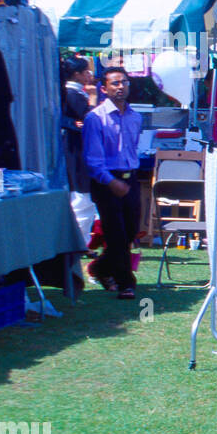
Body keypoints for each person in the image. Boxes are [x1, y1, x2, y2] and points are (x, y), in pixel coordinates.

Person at [83, 67, 143, 299]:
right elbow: (92, 160)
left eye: (124, 83)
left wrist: (127, 178)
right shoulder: (95, 118)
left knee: (130, 232)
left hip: (130, 178)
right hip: (106, 182)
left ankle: (99, 268)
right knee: (116, 234)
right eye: (115, 83)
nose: (120, 87)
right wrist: (111, 182)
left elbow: (132, 148)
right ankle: (126, 282)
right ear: (104, 88)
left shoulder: (135, 117)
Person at [60, 57, 96, 243]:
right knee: (82, 199)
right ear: (76, 74)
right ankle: (79, 241)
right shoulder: (72, 94)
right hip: (76, 151)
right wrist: (93, 98)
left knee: (80, 198)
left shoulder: (69, 93)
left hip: (75, 150)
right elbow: (90, 120)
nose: (89, 75)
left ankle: (80, 240)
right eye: (85, 72)